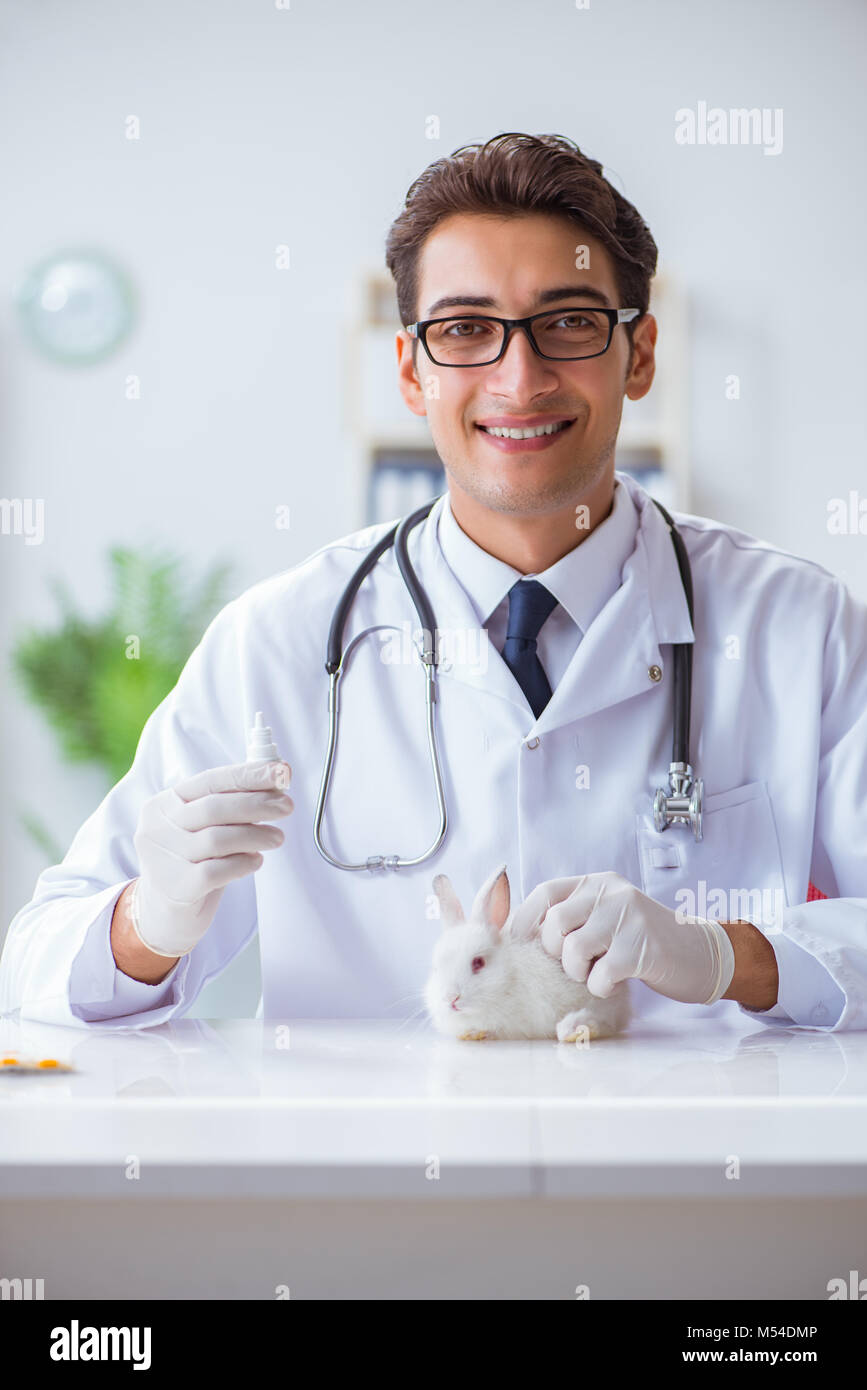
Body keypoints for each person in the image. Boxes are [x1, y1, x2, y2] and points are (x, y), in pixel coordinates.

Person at [2, 132, 865, 1032]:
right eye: (464, 330)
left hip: (714, 1169)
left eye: (567, 322)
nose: (518, 378)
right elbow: (38, 967)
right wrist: (152, 919)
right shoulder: (281, 641)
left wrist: (728, 956)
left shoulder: (800, 627)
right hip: (365, 1171)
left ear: (638, 354)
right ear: (411, 369)